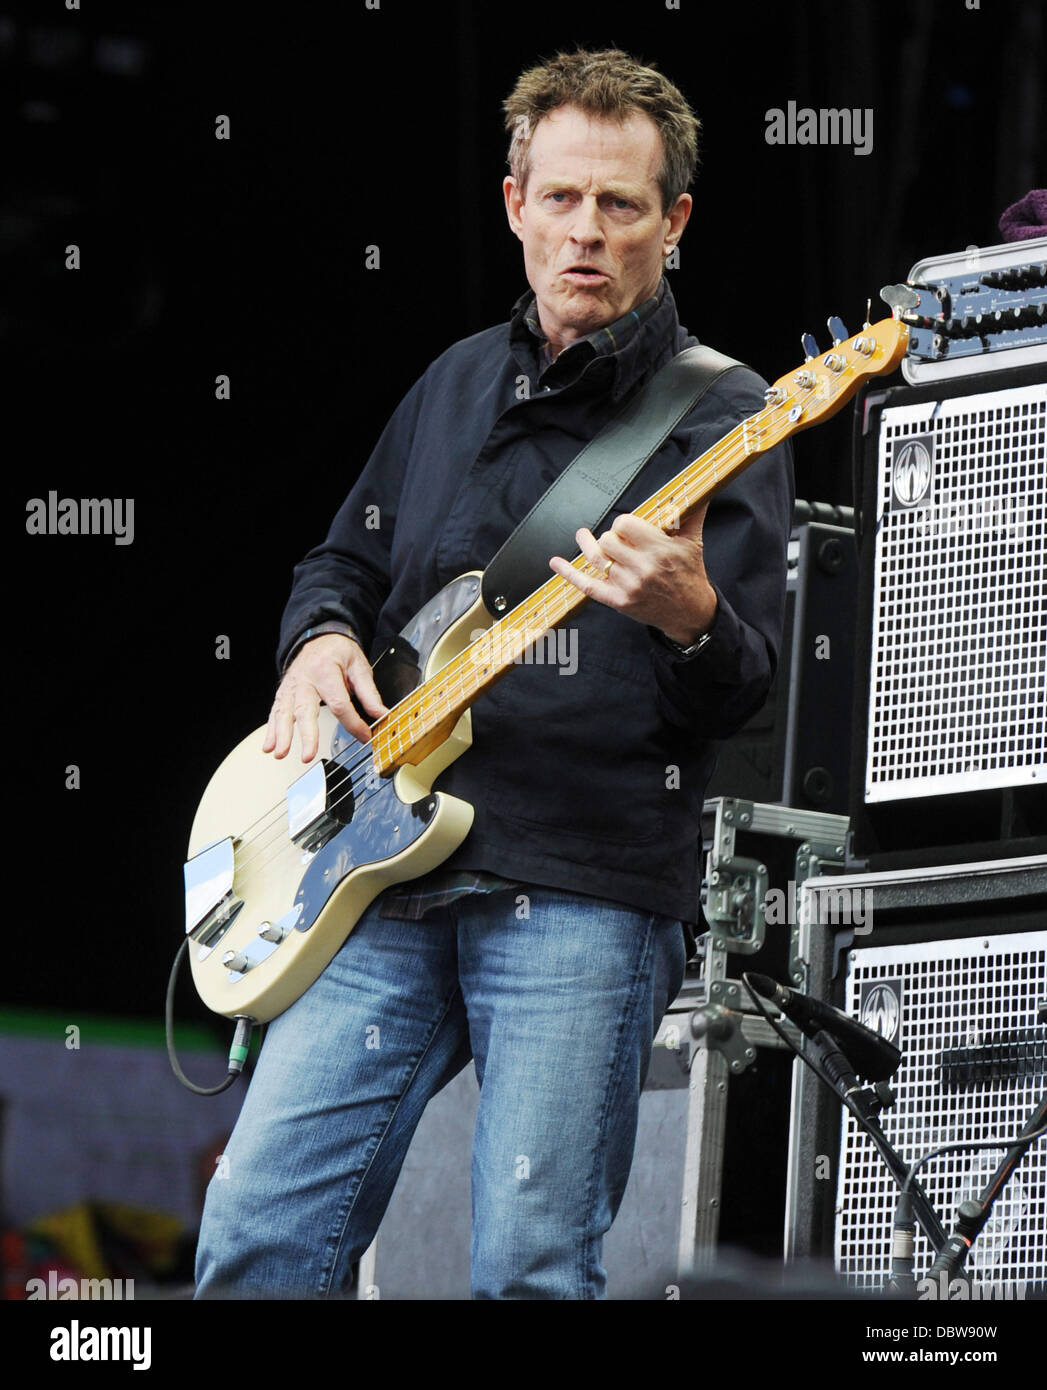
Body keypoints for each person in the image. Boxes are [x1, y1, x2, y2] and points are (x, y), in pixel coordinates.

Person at [194, 47, 793, 1300]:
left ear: (673, 224)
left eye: (622, 205)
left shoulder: (723, 411)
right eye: (562, 198)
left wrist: (690, 616)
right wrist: (318, 642)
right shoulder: (455, 381)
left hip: (580, 883)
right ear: (515, 201)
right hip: (374, 881)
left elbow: (739, 689)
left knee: (528, 1269)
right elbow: (339, 562)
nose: (588, 232)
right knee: (256, 1232)